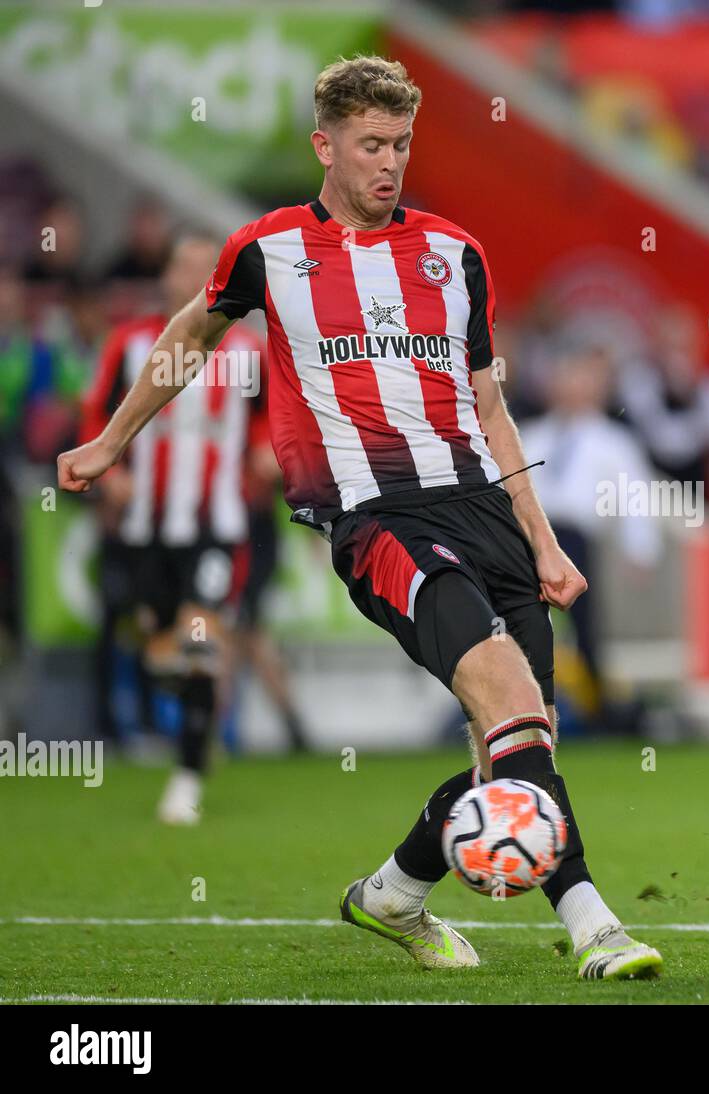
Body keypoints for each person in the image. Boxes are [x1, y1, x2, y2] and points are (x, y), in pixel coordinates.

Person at [57, 55, 661, 982]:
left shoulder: (456, 254)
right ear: (324, 145)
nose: (390, 163)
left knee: (520, 743)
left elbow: (489, 406)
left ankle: (391, 894)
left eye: (402, 145)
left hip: (482, 504)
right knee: (508, 699)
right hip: (375, 518)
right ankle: (595, 926)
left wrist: (541, 539)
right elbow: (189, 338)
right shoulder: (267, 251)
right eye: (371, 145)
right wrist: (110, 440)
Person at [76, 234, 264, 823]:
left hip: (214, 527)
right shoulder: (130, 344)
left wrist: (268, 458)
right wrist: (111, 477)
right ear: (165, 271)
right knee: (161, 654)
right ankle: (199, 719)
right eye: (179, 264)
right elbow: (95, 412)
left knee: (199, 641)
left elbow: (269, 421)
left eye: (200, 267)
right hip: (144, 528)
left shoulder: (246, 350)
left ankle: (185, 780)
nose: (187, 275)